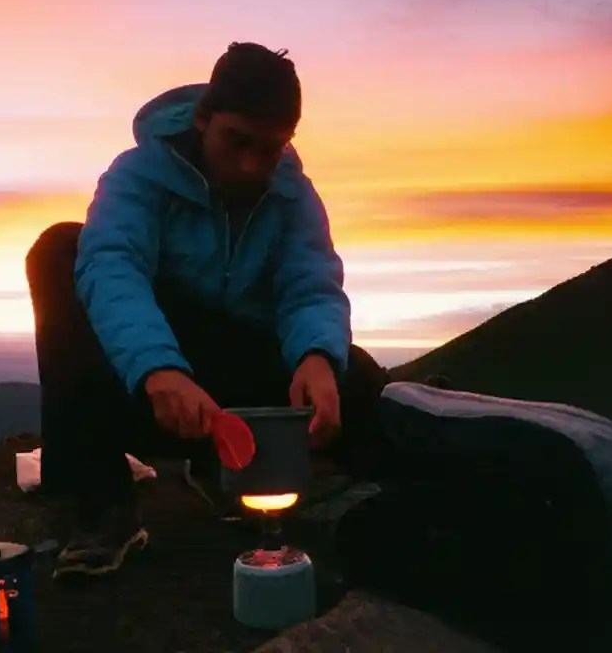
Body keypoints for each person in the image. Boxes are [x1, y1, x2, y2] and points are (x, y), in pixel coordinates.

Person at [26, 42, 390, 580]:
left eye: (269, 150)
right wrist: (157, 367)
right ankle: (102, 505)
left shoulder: (292, 195)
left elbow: (309, 285)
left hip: (233, 380)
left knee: (353, 375)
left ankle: (254, 472)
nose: (250, 165)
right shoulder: (140, 175)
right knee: (61, 251)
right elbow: (112, 267)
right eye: (235, 142)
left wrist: (317, 356)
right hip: (147, 382)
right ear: (203, 119)